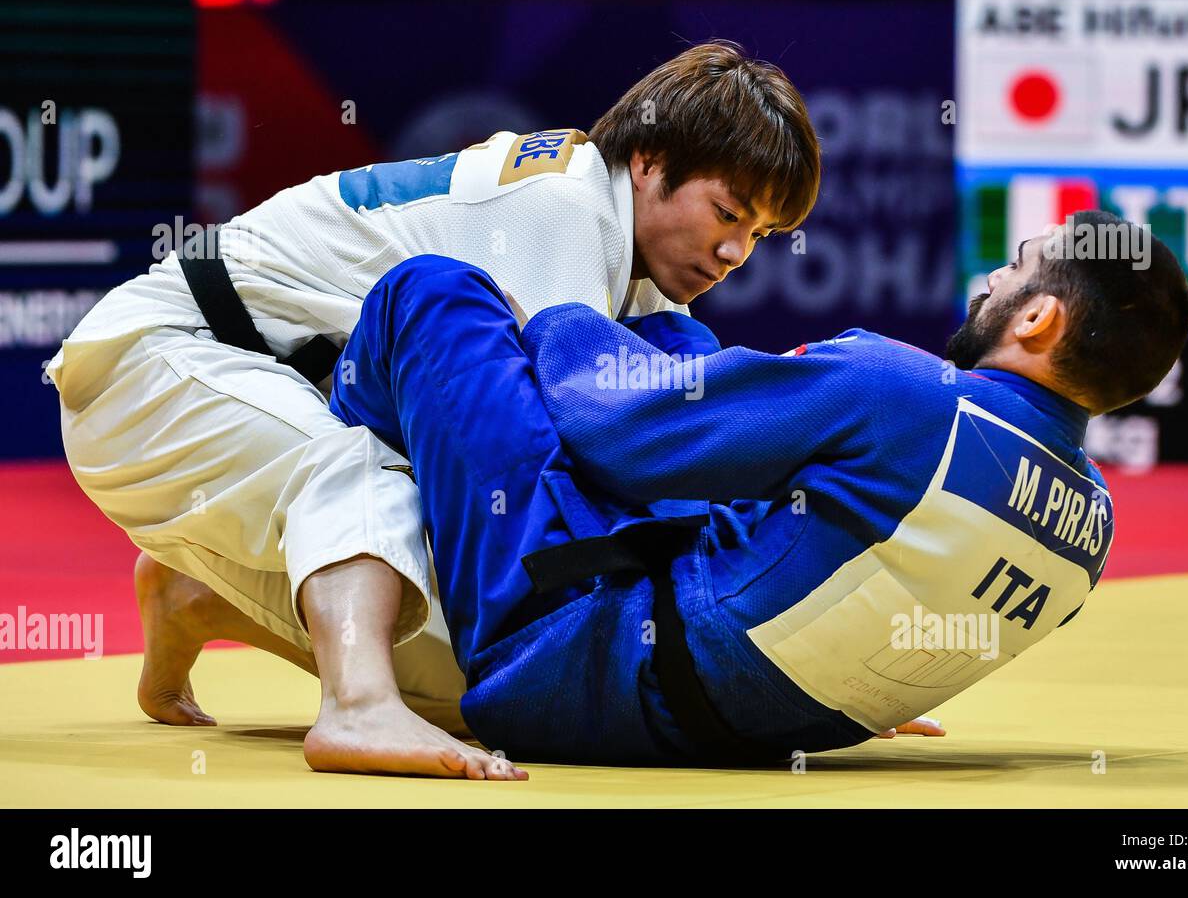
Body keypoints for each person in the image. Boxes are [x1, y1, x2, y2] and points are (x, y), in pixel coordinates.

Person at [47, 40, 819, 779]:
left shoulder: (633, 275)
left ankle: (199, 599)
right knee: (383, 495)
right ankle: (357, 706)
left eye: (760, 234)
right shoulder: (564, 207)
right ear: (650, 162)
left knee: (462, 676)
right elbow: (566, 475)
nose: (736, 254)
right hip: (154, 361)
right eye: (727, 213)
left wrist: (782, 666)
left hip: (256, 384)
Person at [329, 210, 1188, 766]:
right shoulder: (1093, 531)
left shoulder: (904, 393)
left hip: (569, 658)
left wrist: (555, 317)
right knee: (674, 336)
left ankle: (314, 480)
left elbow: (617, 431)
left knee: (434, 294)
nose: (993, 282)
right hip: (765, 728)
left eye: (1016, 270)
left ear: (1039, 319)